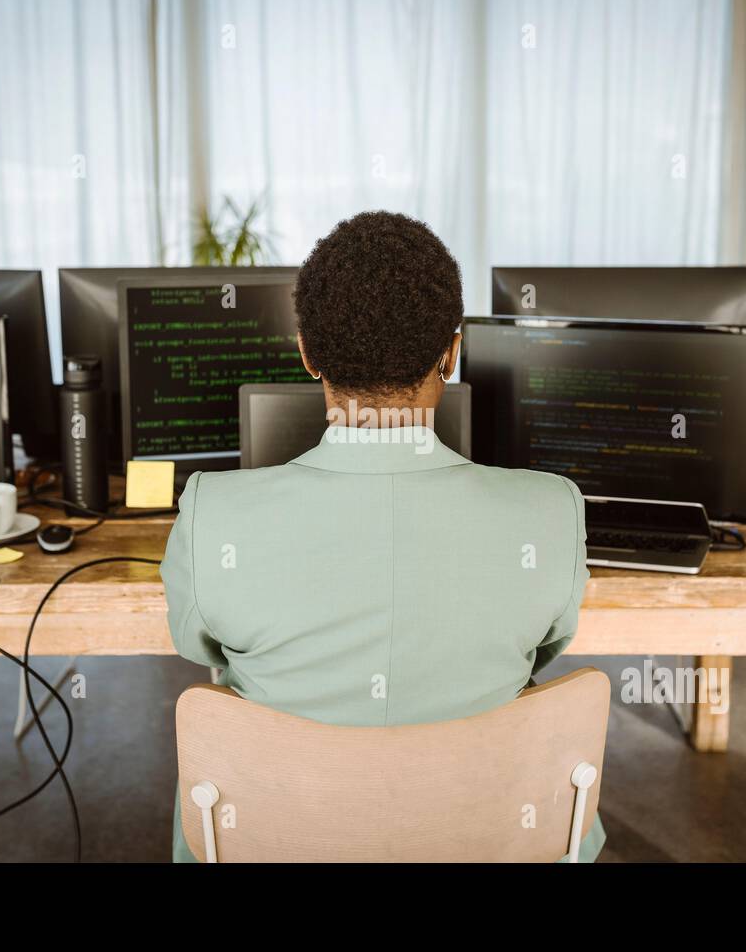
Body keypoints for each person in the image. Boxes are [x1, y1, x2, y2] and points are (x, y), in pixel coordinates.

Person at [161, 210, 600, 862]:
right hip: (490, 840)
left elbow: (201, 648)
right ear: (451, 354)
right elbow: (542, 651)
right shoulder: (551, 513)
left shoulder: (209, 512)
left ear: (307, 353)